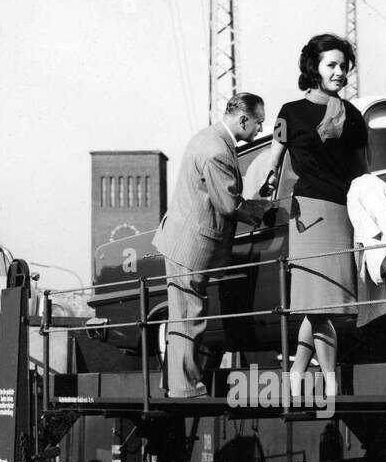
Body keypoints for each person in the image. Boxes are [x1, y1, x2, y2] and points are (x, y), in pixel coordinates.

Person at [260, 33, 369, 401]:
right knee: (318, 304)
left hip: (342, 212)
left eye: (343, 66)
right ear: (314, 68)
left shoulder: (353, 117)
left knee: (319, 304)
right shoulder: (288, 112)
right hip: (307, 212)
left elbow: (363, 173)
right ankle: (329, 380)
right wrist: (263, 189)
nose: (339, 73)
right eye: (331, 65)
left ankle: (296, 372)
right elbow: (273, 162)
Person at [152, 94, 272, 398]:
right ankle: (185, 387)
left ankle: (176, 383)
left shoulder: (207, 138)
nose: (260, 129)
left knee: (182, 313)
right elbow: (229, 203)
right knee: (190, 314)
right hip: (193, 244)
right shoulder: (218, 150)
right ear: (244, 119)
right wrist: (260, 209)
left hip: (181, 239)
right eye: (259, 122)